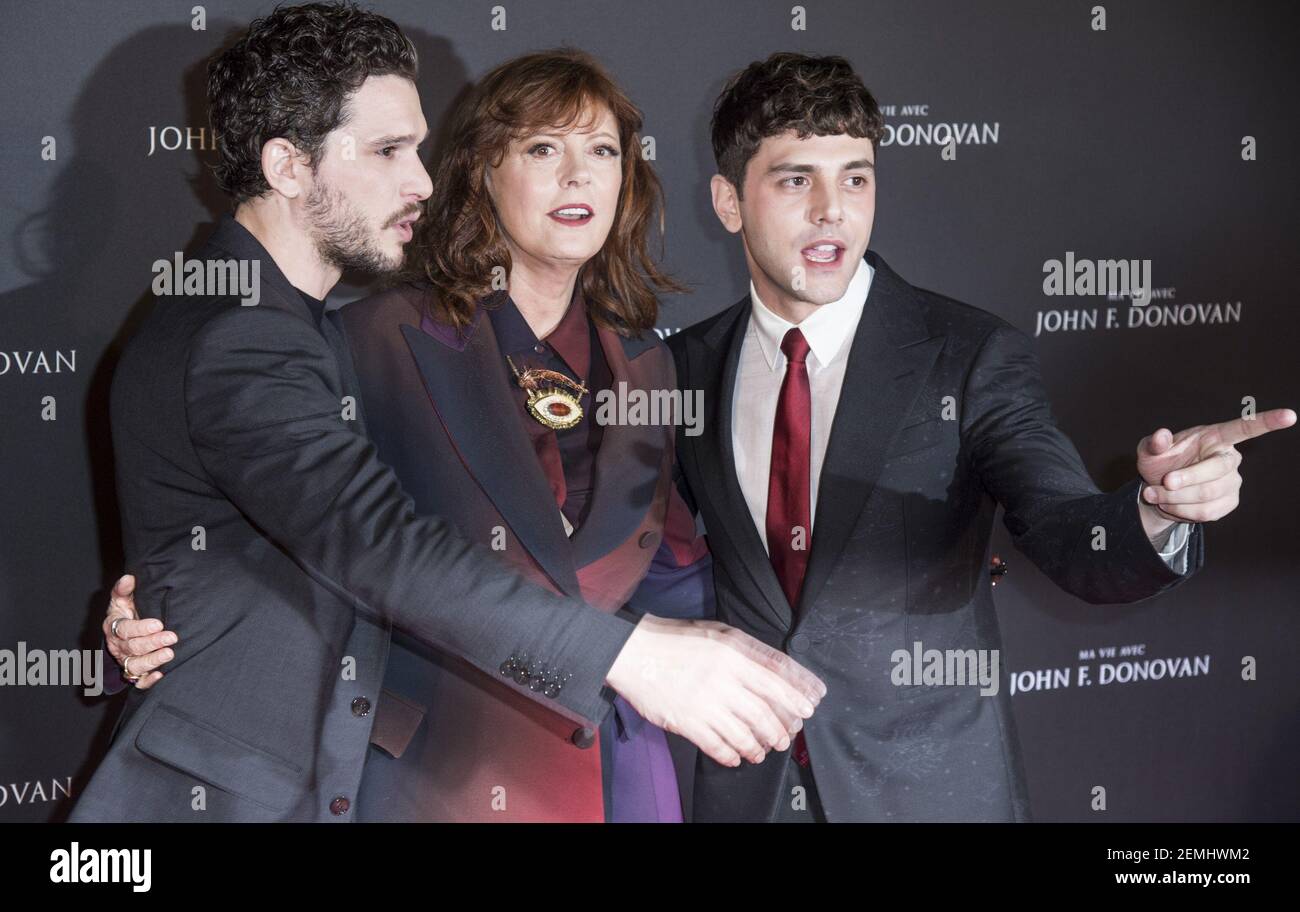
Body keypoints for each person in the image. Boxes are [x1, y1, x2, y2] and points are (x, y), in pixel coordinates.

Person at [73, 6, 823, 823]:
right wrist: (631, 659)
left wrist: (157, 609)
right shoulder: (254, 335)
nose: (420, 182)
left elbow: (273, 549)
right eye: (388, 150)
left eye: (602, 152)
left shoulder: (282, 324)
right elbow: (380, 545)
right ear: (287, 166)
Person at [667, 52, 1295, 822]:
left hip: (927, 795)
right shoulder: (685, 366)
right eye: (797, 180)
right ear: (728, 202)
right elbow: (640, 558)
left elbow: (1065, 526)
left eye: (856, 179)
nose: (833, 210)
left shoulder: (967, 354)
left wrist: (1158, 510)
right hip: (749, 795)